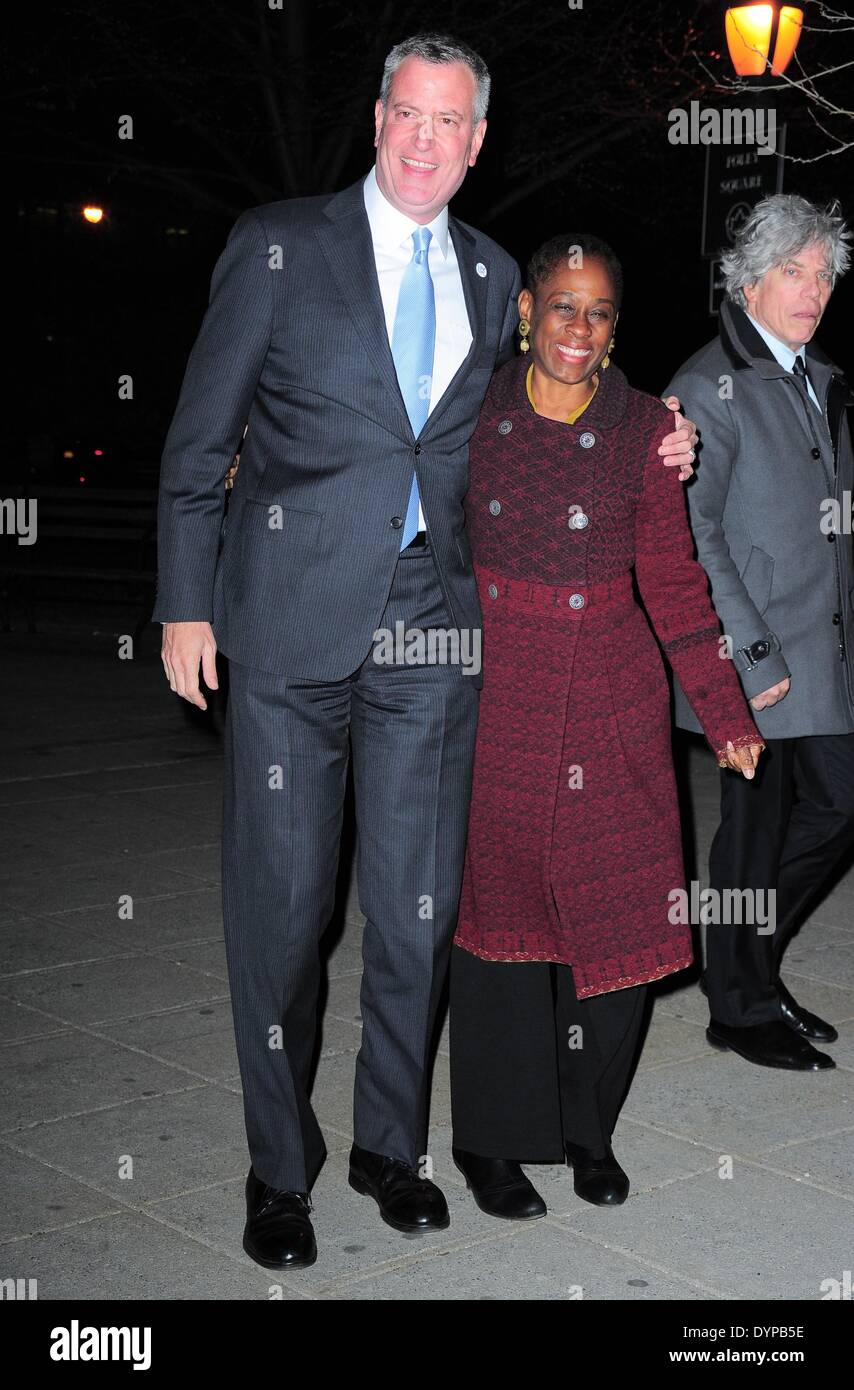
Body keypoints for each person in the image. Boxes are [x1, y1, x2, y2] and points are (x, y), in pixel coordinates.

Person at [153, 34, 698, 1269]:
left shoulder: (493, 269)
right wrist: (186, 603)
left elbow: (550, 411)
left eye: (449, 122)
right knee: (286, 916)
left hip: (433, 634)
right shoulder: (278, 241)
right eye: (407, 112)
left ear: (474, 143)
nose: (422, 137)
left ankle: (388, 1147)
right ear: (381, 118)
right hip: (288, 630)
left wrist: (664, 429)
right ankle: (276, 1168)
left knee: (416, 911)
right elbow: (198, 438)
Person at [449, 234, 763, 1219]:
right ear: (523, 313)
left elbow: (670, 580)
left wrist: (721, 709)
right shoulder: (472, 412)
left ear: (612, 326)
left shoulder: (639, 429)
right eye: (559, 307)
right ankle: (492, 1143)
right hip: (495, 694)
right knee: (497, 933)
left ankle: (586, 1131)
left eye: (595, 312)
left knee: (615, 920)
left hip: (611, 705)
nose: (576, 328)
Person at [666, 194, 854, 1073]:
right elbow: (687, 533)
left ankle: (745, 967)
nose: (811, 289)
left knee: (833, 806)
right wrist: (747, 653)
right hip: (757, 657)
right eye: (793, 270)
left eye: (822, 273)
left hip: (823, 651)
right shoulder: (710, 385)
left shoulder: (819, 378)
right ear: (748, 282)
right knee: (752, 832)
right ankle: (738, 1005)